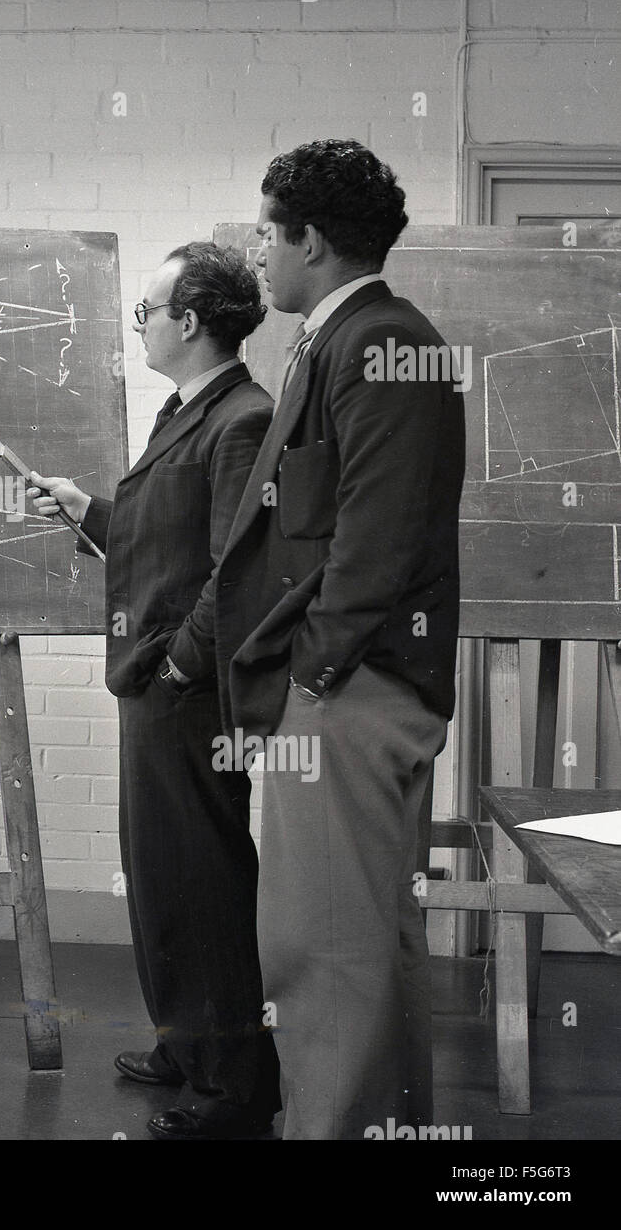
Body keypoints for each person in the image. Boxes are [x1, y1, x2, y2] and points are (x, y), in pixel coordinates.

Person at [215, 140, 466, 1140]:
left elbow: (379, 541)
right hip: (347, 685)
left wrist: (309, 677)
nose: (255, 252)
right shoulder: (342, 339)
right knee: (360, 940)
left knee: (324, 950)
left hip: (350, 691)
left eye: (265, 231)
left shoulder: (382, 342)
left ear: (309, 239)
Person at [29, 242, 279, 1140]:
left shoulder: (243, 419)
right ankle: (186, 1043)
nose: (141, 324)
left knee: (203, 881)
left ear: (192, 321)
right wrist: (85, 508)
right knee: (161, 876)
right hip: (153, 684)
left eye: (149, 310)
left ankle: (233, 1086)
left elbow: (234, 569)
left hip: (188, 691)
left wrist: (179, 663)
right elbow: (158, 540)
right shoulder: (188, 411)